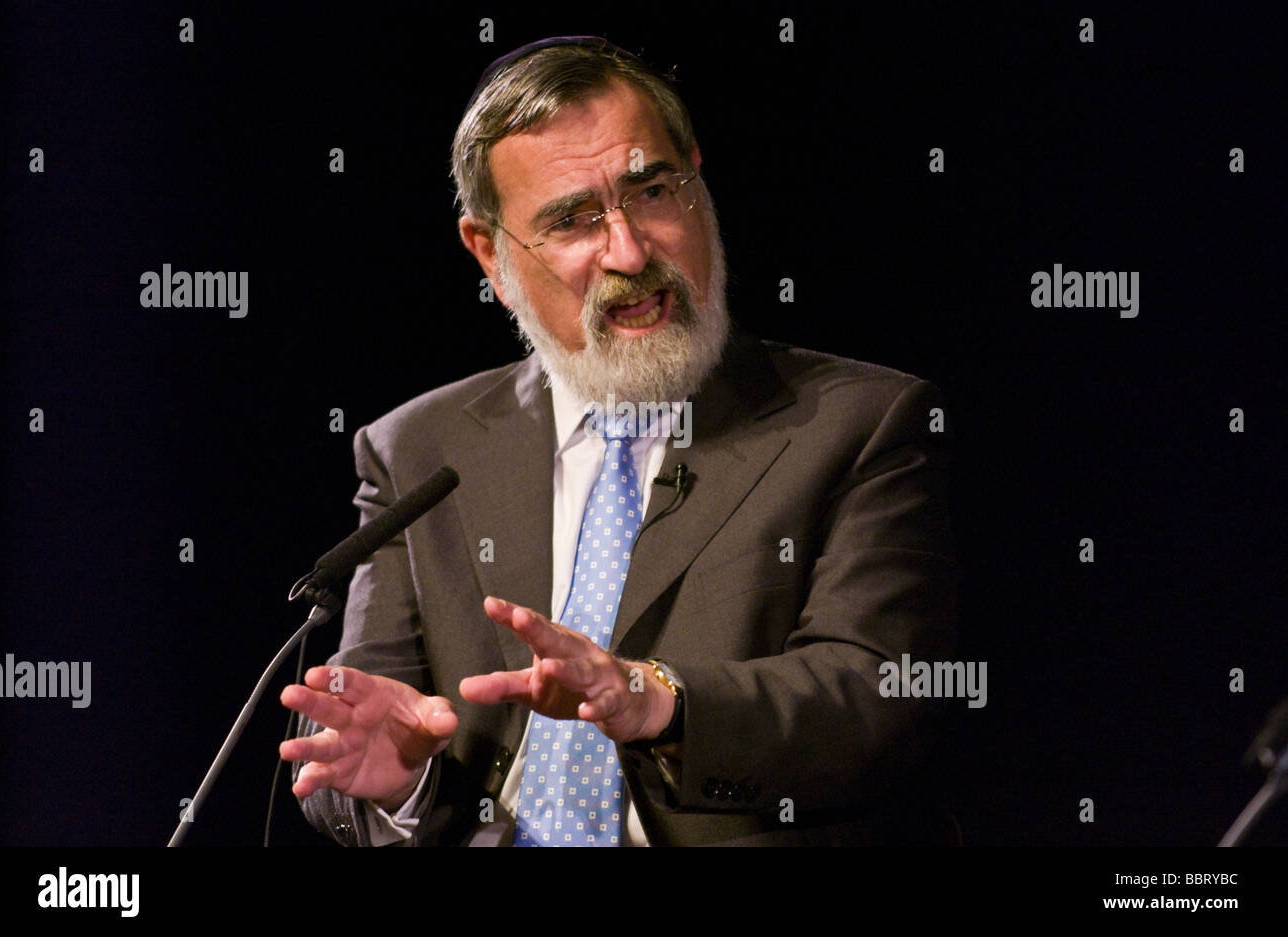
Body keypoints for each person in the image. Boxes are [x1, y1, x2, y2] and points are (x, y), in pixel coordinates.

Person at [279, 36, 960, 846]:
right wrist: (403, 778)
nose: (630, 252)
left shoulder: (860, 423)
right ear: (490, 255)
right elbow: (346, 756)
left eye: (652, 191)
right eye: (573, 220)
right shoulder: (417, 450)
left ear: (698, 181)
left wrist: (656, 701)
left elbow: (879, 699)